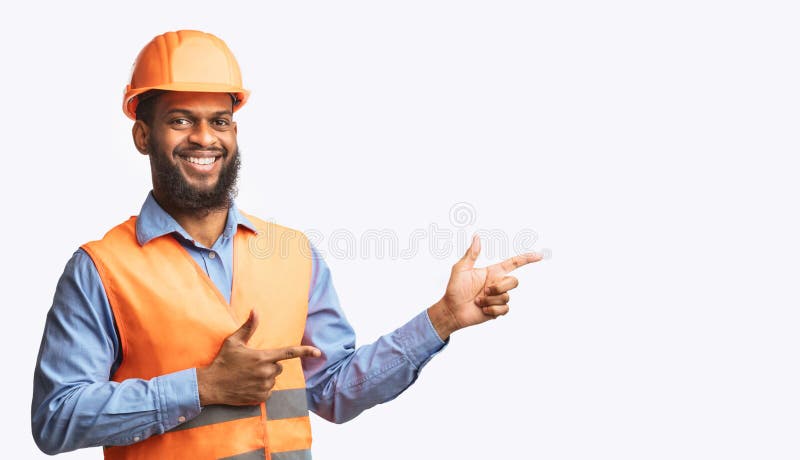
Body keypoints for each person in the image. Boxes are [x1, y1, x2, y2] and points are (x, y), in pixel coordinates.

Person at [31, 30, 542, 459]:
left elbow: (333, 391)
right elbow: (56, 418)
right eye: (180, 119)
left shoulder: (292, 253)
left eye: (220, 120)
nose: (204, 137)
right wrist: (202, 387)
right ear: (143, 135)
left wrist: (443, 318)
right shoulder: (100, 269)